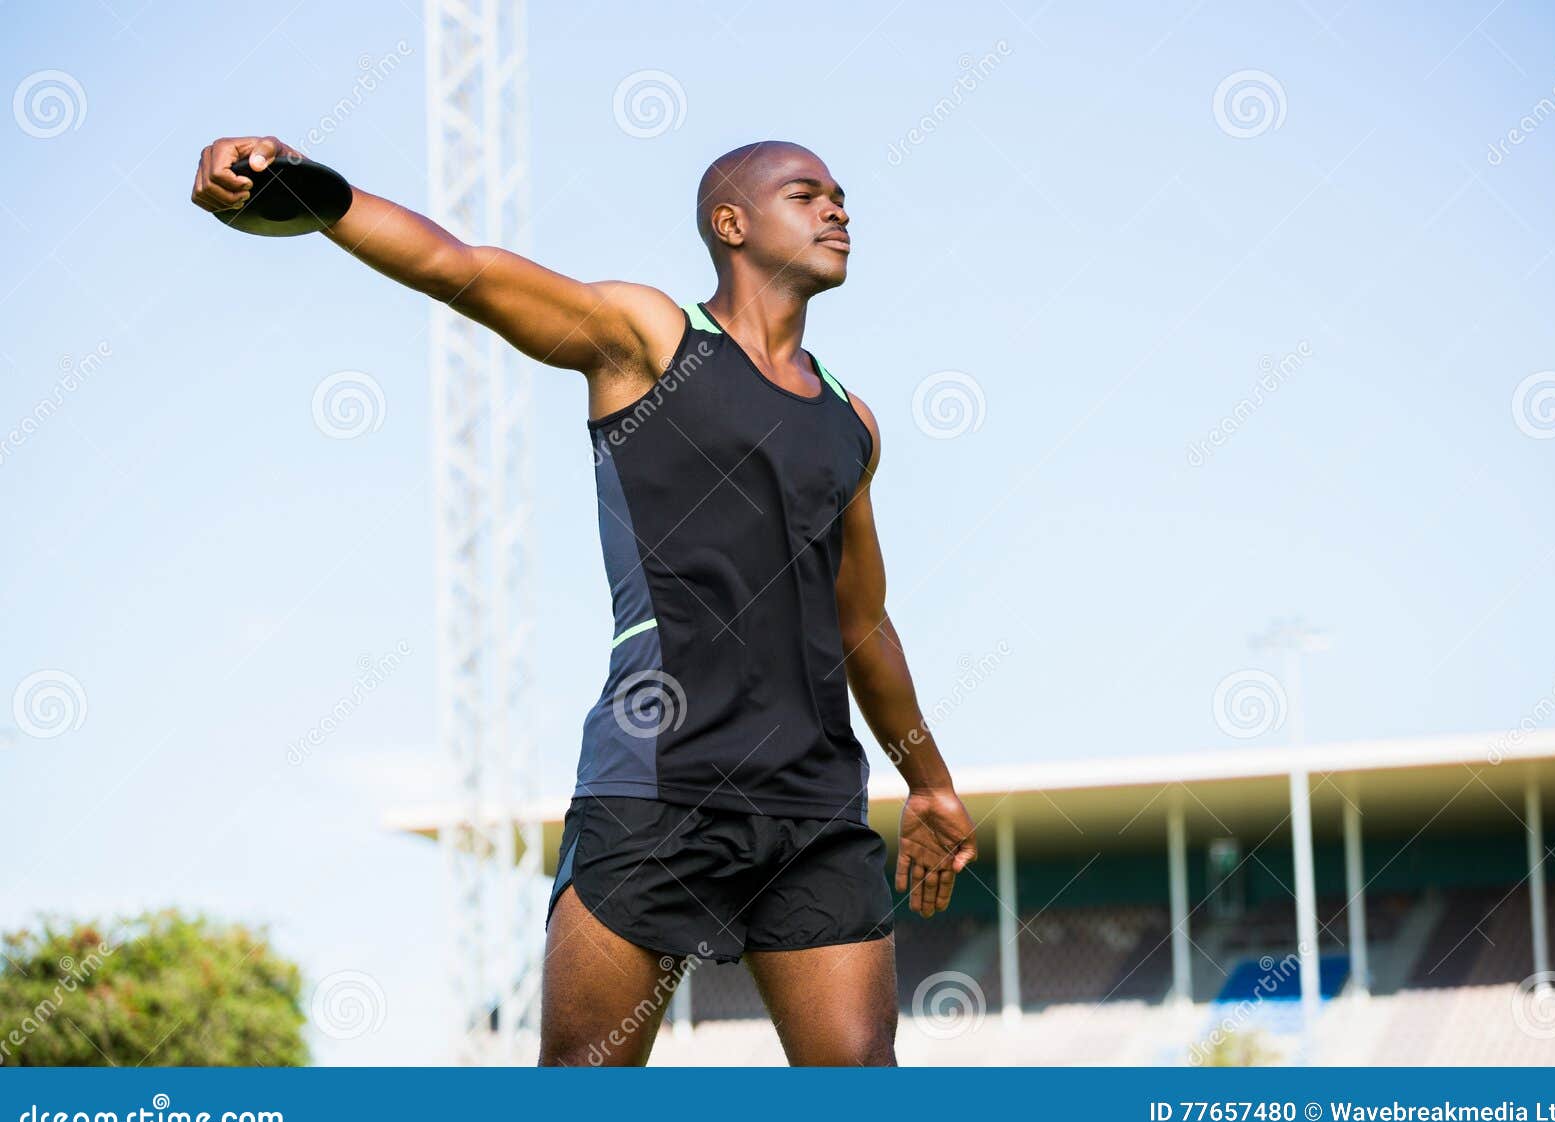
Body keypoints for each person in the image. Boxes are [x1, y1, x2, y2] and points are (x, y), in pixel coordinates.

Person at [190, 136, 979, 1066]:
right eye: (808, 194)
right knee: (584, 1088)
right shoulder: (649, 338)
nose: (838, 209)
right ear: (731, 224)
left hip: (812, 803)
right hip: (656, 784)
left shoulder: (852, 420)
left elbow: (862, 622)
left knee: (863, 1092)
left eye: (842, 195)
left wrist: (927, 780)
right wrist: (312, 190)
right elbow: (467, 273)